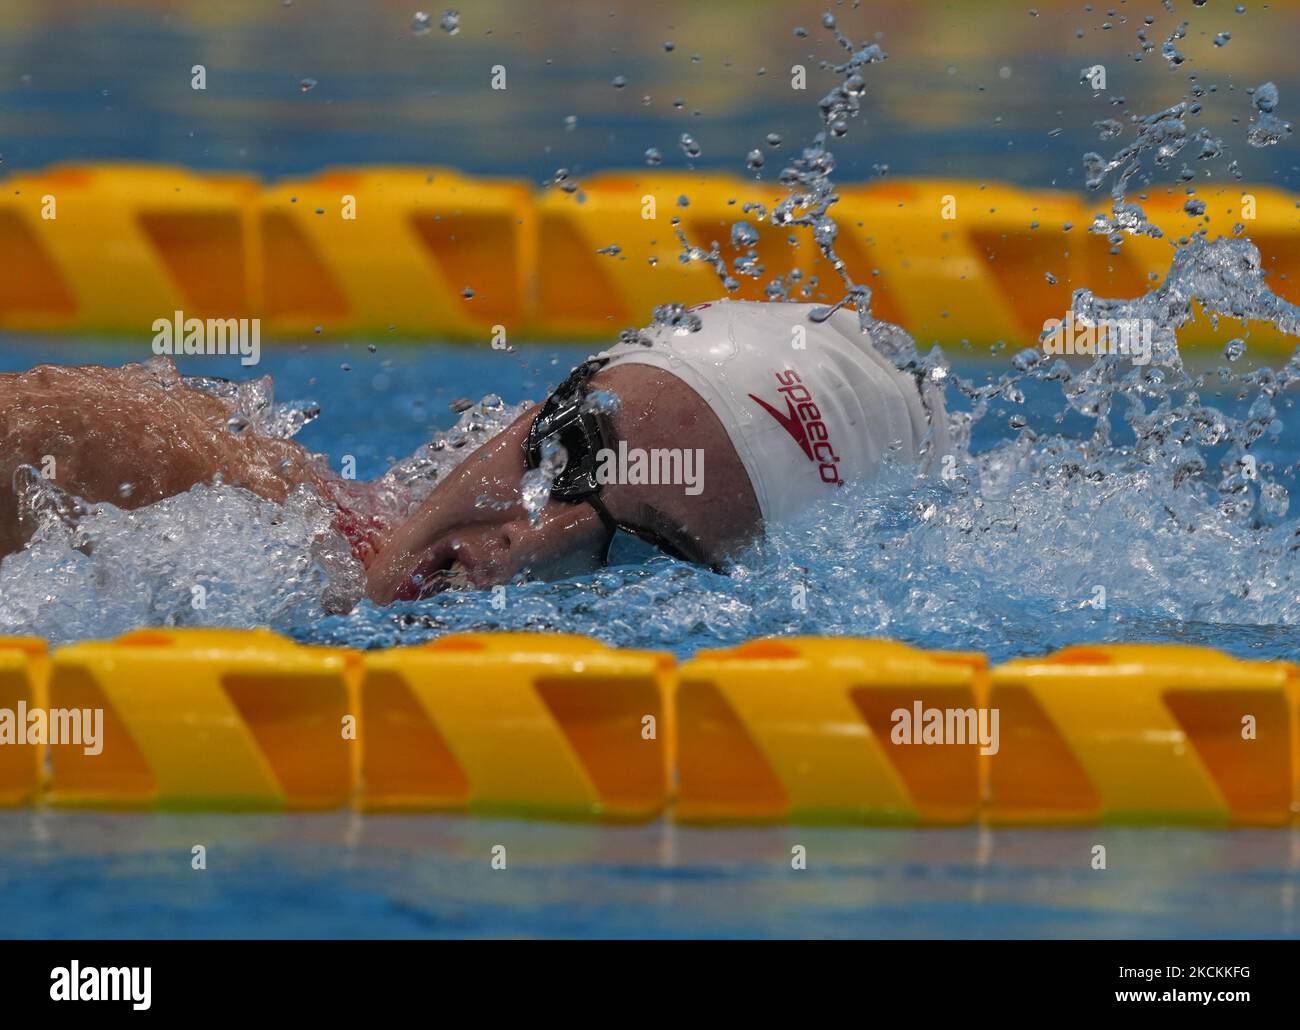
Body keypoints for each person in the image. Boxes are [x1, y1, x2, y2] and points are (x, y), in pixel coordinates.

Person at [0, 301, 947, 603]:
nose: (519, 543)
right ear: (516, 414)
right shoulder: (124, 475)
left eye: (645, 545)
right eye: (567, 453)